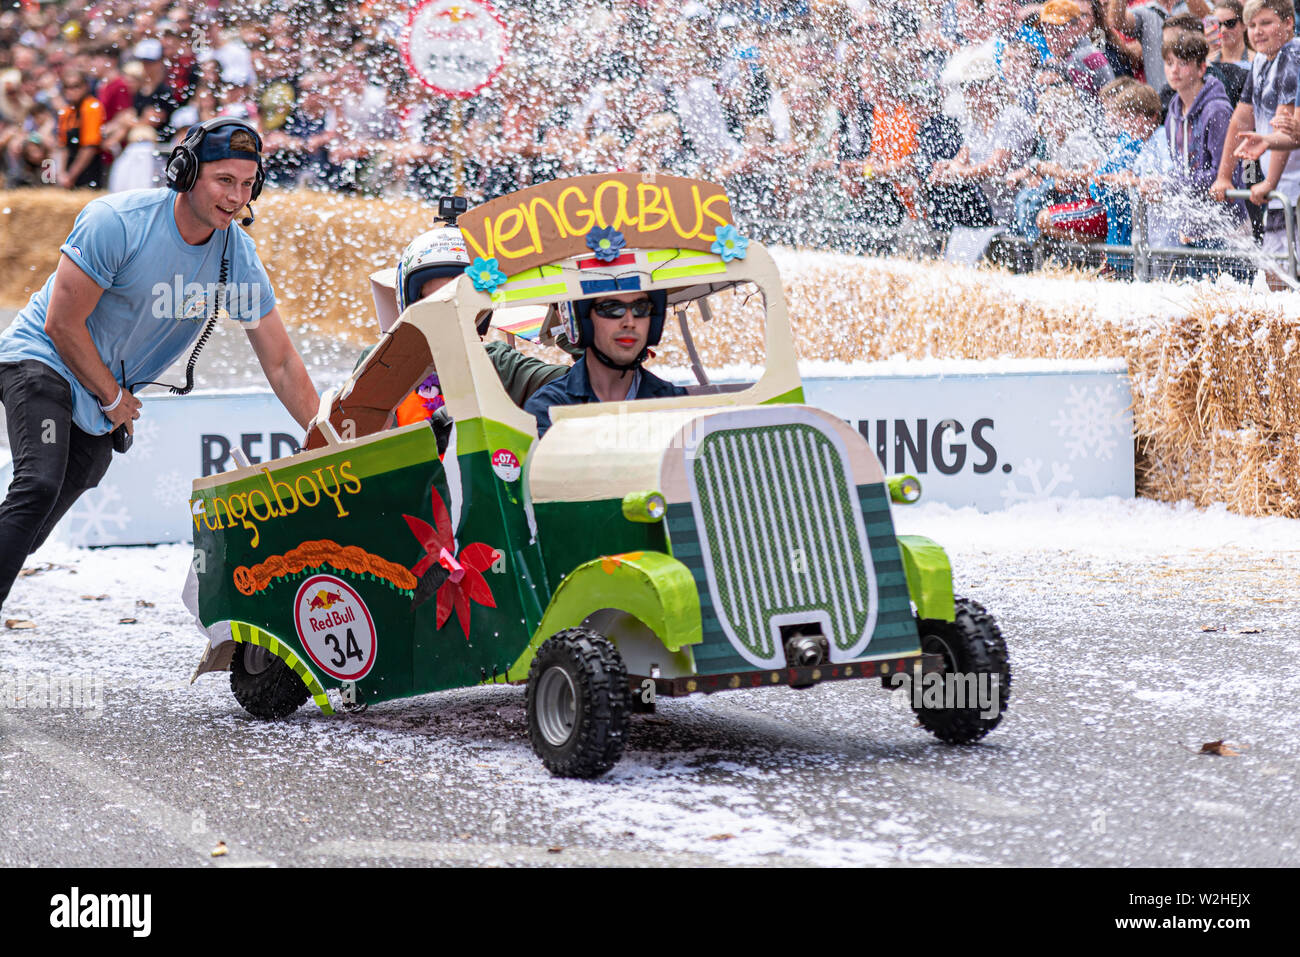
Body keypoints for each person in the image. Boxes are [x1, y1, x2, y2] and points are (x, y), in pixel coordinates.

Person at [0, 117, 319, 612]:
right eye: (224, 181)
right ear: (186, 171)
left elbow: (280, 362)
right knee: (38, 484)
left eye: (248, 185)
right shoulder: (118, 222)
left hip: (103, 398)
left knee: (31, 531)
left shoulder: (237, 256)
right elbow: (61, 325)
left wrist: (324, 437)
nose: (236, 198)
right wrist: (112, 397)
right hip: (40, 359)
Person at [1212, 0, 1300, 283]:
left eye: (1266, 23)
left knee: (1283, 274)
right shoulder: (1260, 61)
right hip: (1279, 185)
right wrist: (1224, 176)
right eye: (1251, 25)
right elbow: (1241, 119)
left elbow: (1284, 126)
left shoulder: (1293, 54)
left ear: (1288, 23)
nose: (1257, 32)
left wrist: (1269, 182)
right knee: (1275, 275)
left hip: (1292, 188)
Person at [524, 289, 687, 438]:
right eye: (611, 308)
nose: (629, 322)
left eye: (641, 308)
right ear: (583, 320)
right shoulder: (549, 408)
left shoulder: (676, 403)